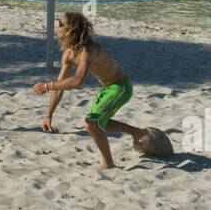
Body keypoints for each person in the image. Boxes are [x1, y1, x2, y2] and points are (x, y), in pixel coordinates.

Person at [34, 12, 149, 171]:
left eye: (59, 23)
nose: (56, 26)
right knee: (100, 123)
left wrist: (47, 86)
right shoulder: (68, 52)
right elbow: (60, 86)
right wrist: (48, 115)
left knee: (91, 124)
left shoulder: (89, 50)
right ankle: (139, 132)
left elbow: (78, 81)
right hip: (108, 89)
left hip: (121, 87)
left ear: (69, 30)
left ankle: (108, 164)